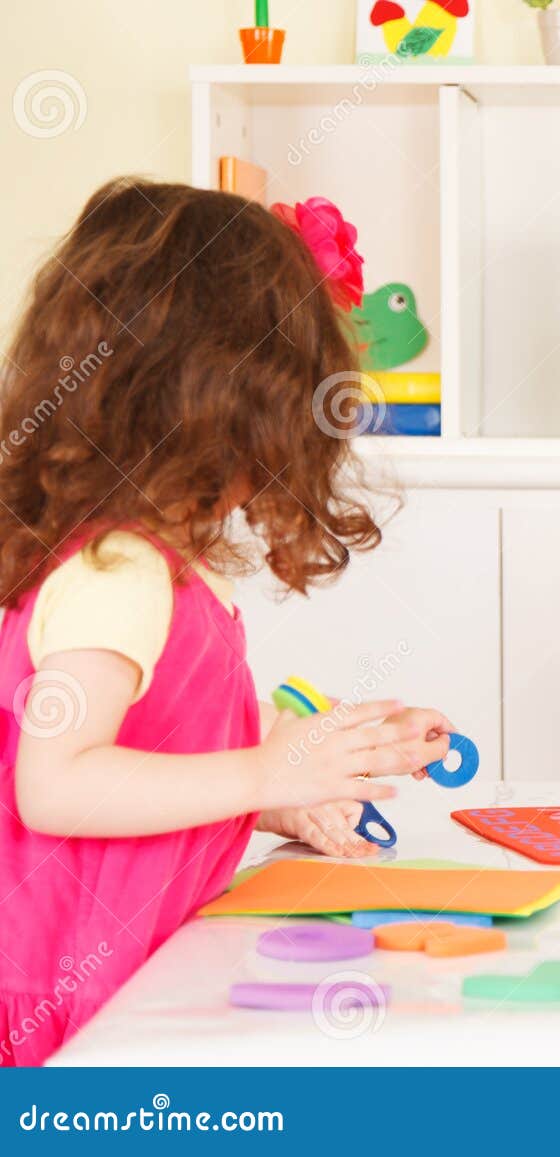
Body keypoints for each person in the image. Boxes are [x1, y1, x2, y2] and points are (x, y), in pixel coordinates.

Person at [0, 179, 451, 1065]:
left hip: (123, 976)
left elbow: (160, 764)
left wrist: (283, 791)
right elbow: (55, 785)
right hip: (63, 998)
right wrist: (262, 771)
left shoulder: (165, 565)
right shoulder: (118, 569)